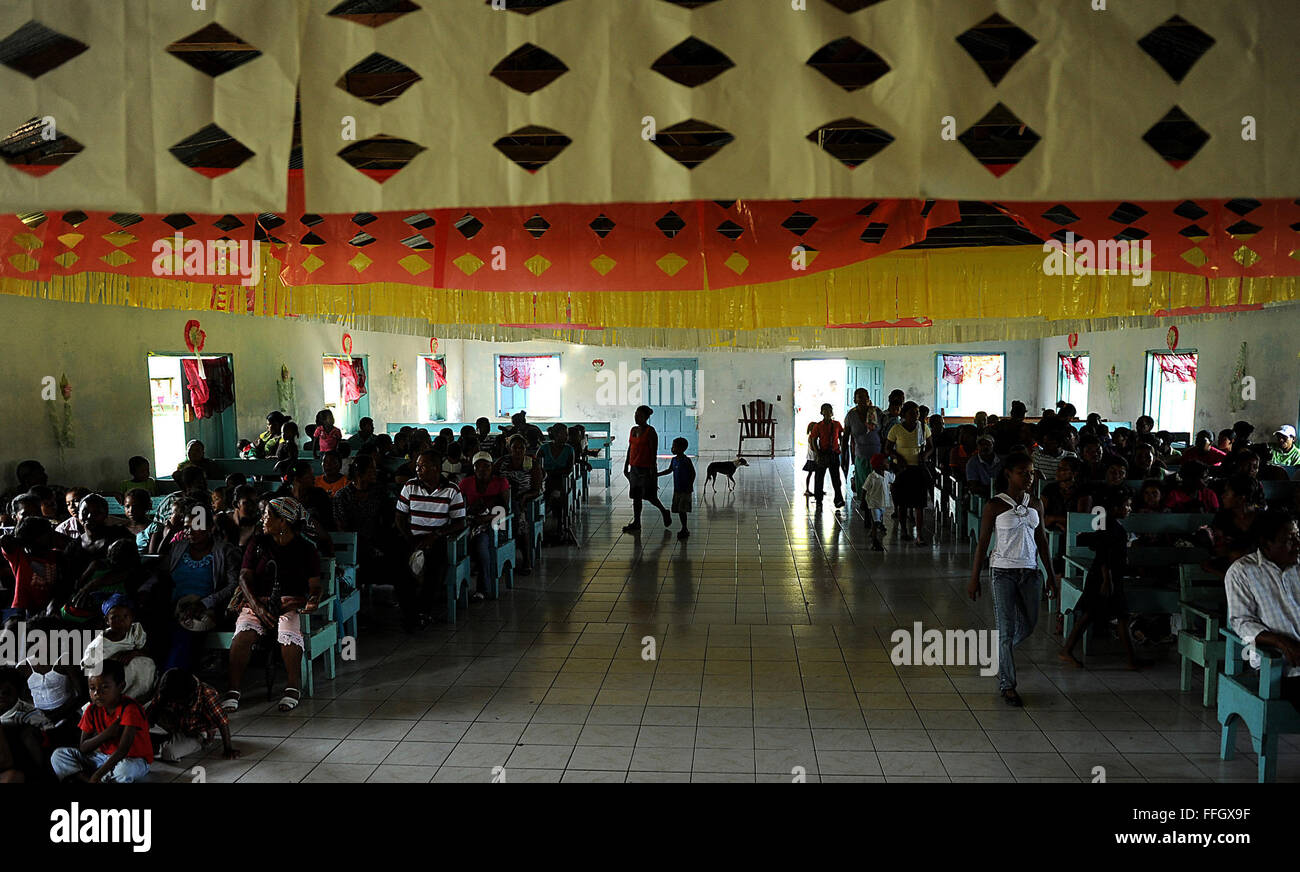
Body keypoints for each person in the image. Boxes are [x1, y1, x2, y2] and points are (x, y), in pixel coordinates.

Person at [968, 452, 1058, 706]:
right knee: (1006, 630)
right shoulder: (994, 505)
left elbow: (1041, 539)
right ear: (1008, 474)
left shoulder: (1036, 504)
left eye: (1031, 472)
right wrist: (974, 578)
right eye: (1022, 472)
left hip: (1030, 572)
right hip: (1002, 572)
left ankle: (1001, 651)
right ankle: (1008, 685)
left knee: (1028, 625)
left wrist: (1051, 576)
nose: (1028, 477)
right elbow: (983, 543)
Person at [223, 497, 322, 713]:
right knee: (243, 635)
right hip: (258, 602)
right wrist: (257, 606)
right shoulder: (258, 543)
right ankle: (233, 690)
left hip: (289, 603)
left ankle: (293, 687)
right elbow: (243, 577)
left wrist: (311, 600)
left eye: (268, 516)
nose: (263, 519)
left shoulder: (306, 549)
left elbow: (315, 586)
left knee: (289, 632)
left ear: (283, 522)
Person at [148, 504, 240, 671]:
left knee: (185, 633)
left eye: (196, 526)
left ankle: (173, 677)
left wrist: (205, 603)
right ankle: (156, 676)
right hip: (174, 605)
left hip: (206, 607)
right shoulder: (179, 548)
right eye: (186, 528)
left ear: (210, 528)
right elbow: (160, 572)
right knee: (155, 628)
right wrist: (145, 590)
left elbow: (233, 585)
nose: (189, 532)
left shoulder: (224, 551)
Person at [1060, 492, 1141, 670]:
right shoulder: (1110, 528)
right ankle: (1131, 660)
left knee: (1110, 616)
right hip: (1103, 578)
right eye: (1126, 506)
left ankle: (1132, 659)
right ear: (1115, 509)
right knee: (1105, 615)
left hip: (1110, 578)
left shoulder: (1114, 526)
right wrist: (1107, 579)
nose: (1129, 509)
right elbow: (1104, 556)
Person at [1225, 511, 1300, 697]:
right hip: (1280, 667)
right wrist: (1281, 642)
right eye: (1289, 540)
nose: (1297, 545)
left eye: (1298, 537)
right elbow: (1242, 622)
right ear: (1267, 544)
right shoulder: (1242, 572)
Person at [395, 450, 467, 630]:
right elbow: (399, 516)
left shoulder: (451, 489)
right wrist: (409, 538)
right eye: (417, 466)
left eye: (422, 466)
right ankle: (409, 612)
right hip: (413, 537)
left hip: (438, 538)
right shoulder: (410, 486)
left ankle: (423, 612)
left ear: (435, 468)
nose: (418, 469)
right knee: (399, 568)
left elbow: (460, 522)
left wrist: (435, 535)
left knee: (434, 568)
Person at [50, 660, 152, 783]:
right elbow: (83, 748)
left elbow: (122, 751)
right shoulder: (91, 709)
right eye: (92, 688)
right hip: (103, 757)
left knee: (125, 769)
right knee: (59, 755)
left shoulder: (130, 709)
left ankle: (96, 778)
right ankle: (89, 780)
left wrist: (97, 775)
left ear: (121, 687)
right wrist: (107, 733)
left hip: (133, 759)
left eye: (105, 687)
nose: (97, 693)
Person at [147, 668, 239, 762]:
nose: (173, 702)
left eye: (177, 700)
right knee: (139, 716)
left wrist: (228, 748)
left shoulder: (206, 694)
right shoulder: (168, 687)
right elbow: (152, 710)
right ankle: (159, 741)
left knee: (169, 753)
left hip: (196, 733)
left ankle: (161, 745)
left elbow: (222, 722)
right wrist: (144, 730)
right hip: (174, 725)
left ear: (188, 696)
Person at [332, 454, 393, 589]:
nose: (375, 472)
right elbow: (342, 527)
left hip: (376, 538)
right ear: (360, 472)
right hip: (352, 542)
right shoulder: (342, 496)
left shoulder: (379, 492)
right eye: (371, 469)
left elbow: (387, 520)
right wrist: (361, 543)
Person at [80, 594, 156, 702]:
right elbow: (88, 671)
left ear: (132, 617)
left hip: (134, 672)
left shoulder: (134, 631)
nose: (121, 621)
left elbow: (146, 650)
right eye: (114, 617)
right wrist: (110, 663)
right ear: (107, 620)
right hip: (111, 680)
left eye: (125, 616)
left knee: (146, 662)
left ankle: (142, 697)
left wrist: (133, 653)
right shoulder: (98, 646)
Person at [459, 452, 510, 600]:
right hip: (472, 523)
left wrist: (486, 519)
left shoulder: (501, 482)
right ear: (473, 468)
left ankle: (482, 588)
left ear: (491, 467)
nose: (482, 469)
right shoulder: (466, 483)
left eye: (486, 466)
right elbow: (459, 506)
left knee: (481, 544)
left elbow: (504, 510)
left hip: (497, 525)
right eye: (478, 466)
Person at [495, 436, 543, 575]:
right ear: (509, 448)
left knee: (520, 521)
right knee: (494, 518)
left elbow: (536, 489)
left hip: (523, 501)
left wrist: (525, 497)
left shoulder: (531, 464)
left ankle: (526, 559)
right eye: (514, 447)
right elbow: (492, 479)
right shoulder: (502, 462)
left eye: (521, 448)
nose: (518, 450)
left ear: (525, 449)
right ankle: (497, 553)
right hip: (502, 500)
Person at [885, 401, 931, 545]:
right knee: (902, 502)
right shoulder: (896, 429)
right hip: (902, 469)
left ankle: (920, 535)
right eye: (912, 413)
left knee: (919, 503)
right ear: (904, 414)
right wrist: (897, 457)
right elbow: (888, 448)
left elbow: (931, 446)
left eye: (917, 413)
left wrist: (925, 455)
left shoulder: (923, 428)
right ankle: (904, 530)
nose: (915, 415)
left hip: (918, 468)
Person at [623, 405, 672, 533]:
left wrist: (652, 469)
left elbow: (653, 451)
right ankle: (637, 522)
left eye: (639, 415)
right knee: (636, 496)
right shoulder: (633, 430)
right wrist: (626, 465)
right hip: (634, 467)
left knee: (650, 495)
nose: (636, 417)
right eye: (635, 414)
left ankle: (664, 511)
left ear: (646, 417)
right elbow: (630, 448)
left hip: (646, 468)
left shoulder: (650, 431)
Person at [540, 424, 576, 544]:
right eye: (564, 434)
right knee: (544, 495)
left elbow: (569, 469)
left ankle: (558, 529)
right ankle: (542, 529)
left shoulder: (569, 449)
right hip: (545, 481)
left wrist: (551, 472)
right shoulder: (544, 448)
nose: (567, 436)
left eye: (567, 434)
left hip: (561, 481)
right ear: (555, 435)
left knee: (557, 497)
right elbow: (538, 467)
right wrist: (547, 474)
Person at [841, 388, 880, 495]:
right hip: (861, 455)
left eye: (866, 396)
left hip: (877, 456)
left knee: (876, 488)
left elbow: (885, 434)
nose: (864, 399)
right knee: (864, 488)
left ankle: (875, 511)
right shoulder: (851, 416)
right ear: (855, 400)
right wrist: (843, 457)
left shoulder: (876, 412)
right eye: (860, 397)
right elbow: (845, 438)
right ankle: (866, 510)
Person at [658, 438, 695, 540]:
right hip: (677, 489)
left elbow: (692, 474)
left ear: (682, 448)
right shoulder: (674, 460)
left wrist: (689, 486)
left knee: (683, 510)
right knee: (679, 510)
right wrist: (658, 474)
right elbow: (669, 470)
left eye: (675, 446)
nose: (672, 448)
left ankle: (685, 528)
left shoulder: (686, 461)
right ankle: (684, 528)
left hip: (685, 490)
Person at [810, 403, 845, 508]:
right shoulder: (818, 426)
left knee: (836, 478)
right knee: (819, 478)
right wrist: (817, 453)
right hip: (823, 454)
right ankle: (819, 499)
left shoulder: (837, 424)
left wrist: (842, 449)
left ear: (832, 412)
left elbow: (841, 436)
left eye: (829, 411)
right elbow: (813, 440)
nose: (827, 413)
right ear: (821, 412)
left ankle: (838, 499)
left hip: (834, 454)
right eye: (824, 411)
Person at [861, 453, 892, 550]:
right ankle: (875, 542)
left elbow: (894, 479)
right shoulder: (872, 477)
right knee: (876, 522)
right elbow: (864, 489)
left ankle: (873, 532)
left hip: (883, 503)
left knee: (879, 520)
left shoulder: (887, 475)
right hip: (874, 503)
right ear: (879, 465)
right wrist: (863, 501)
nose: (888, 464)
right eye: (886, 462)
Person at [801, 421, 818, 497]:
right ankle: (807, 490)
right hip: (812, 458)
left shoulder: (812, 436)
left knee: (814, 474)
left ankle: (816, 489)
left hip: (812, 457)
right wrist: (818, 453)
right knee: (811, 474)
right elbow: (812, 447)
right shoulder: (811, 436)